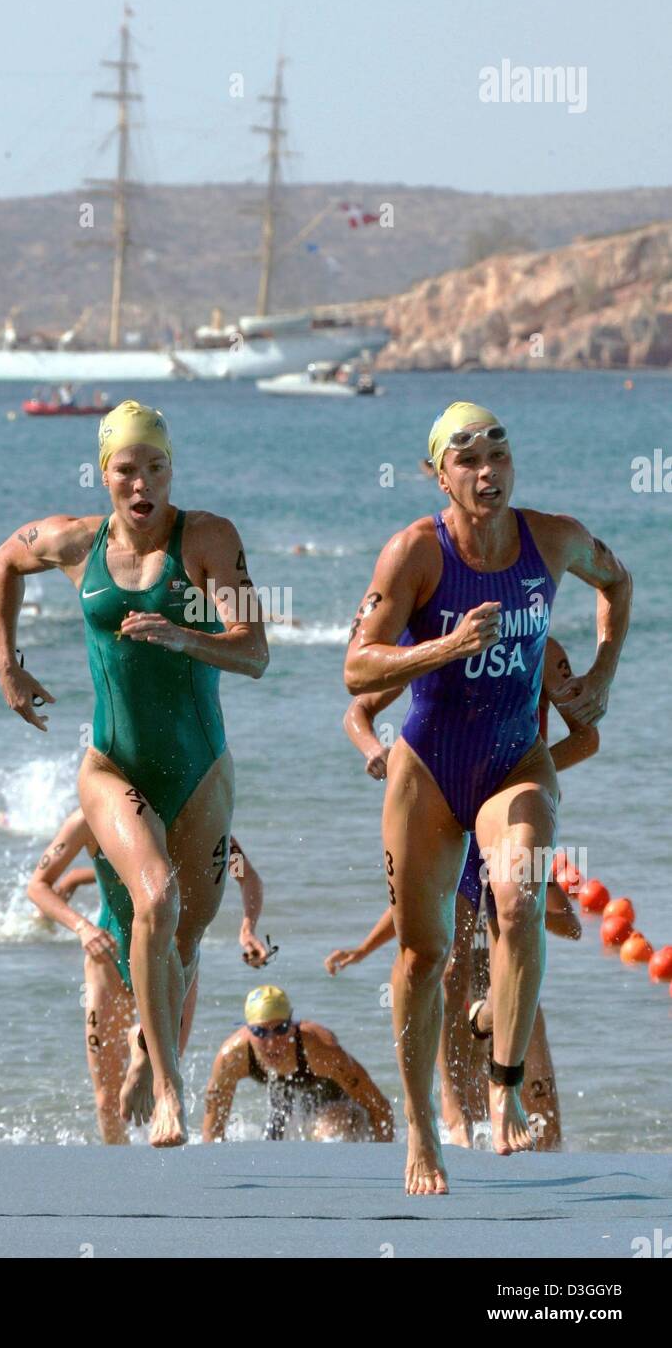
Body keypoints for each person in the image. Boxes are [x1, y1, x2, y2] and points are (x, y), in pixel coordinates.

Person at [344, 401, 631, 1193]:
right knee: (424, 956)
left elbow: (620, 579)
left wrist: (602, 675)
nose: (487, 472)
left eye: (498, 454)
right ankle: (422, 1133)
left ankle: (502, 1088)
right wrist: (445, 645)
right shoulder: (414, 553)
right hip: (429, 769)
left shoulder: (555, 538)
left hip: (515, 764)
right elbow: (357, 671)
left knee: (519, 898)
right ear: (440, 474)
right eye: (466, 460)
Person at [0, 398, 268, 1147]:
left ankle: (152, 1049)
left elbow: (254, 653)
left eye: (156, 468)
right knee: (155, 896)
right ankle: (172, 1091)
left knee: (182, 941)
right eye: (126, 470)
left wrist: (183, 637)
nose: (141, 483)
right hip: (110, 764)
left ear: (171, 469)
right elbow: (5, 559)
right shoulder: (74, 543)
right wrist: (7, 663)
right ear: (103, 473)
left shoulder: (209, 539)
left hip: (202, 772)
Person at [334, 632, 593, 1149]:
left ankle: (494, 1034)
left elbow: (586, 736)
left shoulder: (540, 642)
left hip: (507, 811)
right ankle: (450, 1113)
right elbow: (357, 711)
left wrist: (527, 769)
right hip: (441, 811)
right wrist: (375, 752)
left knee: (542, 933)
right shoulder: (431, 639)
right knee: (443, 966)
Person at [27, 805, 269, 1143]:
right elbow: (38, 886)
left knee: (164, 1080)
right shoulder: (90, 817)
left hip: (176, 962)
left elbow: (247, 877)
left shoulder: (194, 808)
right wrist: (82, 928)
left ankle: (161, 1180)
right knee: (107, 1100)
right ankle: (119, 1177)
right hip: (108, 957)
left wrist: (247, 929)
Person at [202, 985, 394, 1143]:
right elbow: (212, 1131)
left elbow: (379, 1107)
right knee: (271, 1146)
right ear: (247, 1029)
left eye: (281, 1029)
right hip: (284, 1101)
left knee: (328, 1137)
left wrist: (380, 1157)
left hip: (334, 1099)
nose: (272, 1043)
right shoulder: (231, 1058)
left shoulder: (320, 1049)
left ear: (292, 1024)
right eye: (260, 1032)